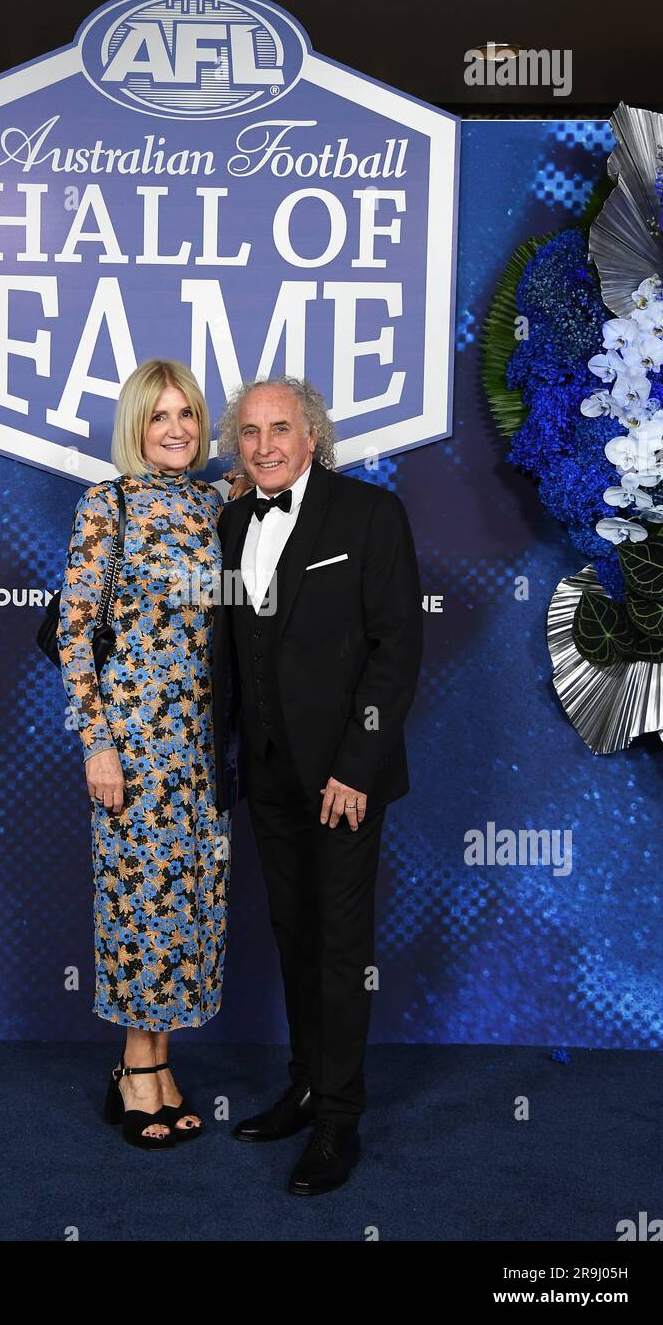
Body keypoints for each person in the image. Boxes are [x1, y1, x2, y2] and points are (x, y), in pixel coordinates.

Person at [212, 375, 423, 1194]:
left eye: (279, 429)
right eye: (250, 431)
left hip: (343, 778)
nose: (263, 445)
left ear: (311, 437)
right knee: (294, 935)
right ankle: (302, 1086)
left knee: (338, 948)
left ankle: (338, 1120)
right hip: (264, 772)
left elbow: (394, 649)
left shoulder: (369, 515)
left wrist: (355, 767)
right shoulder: (230, 520)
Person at [57, 359, 230, 1149]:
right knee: (137, 902)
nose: (175, 430)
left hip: (199, 743)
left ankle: (160, 1065)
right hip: (131, 740)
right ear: (135, 425)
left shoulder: (213, 501)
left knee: (184, 903)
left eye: (187, 414)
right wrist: (98, 745)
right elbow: (74, 633)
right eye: (159, 416)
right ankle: (133, 1069)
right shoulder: (109, 502)